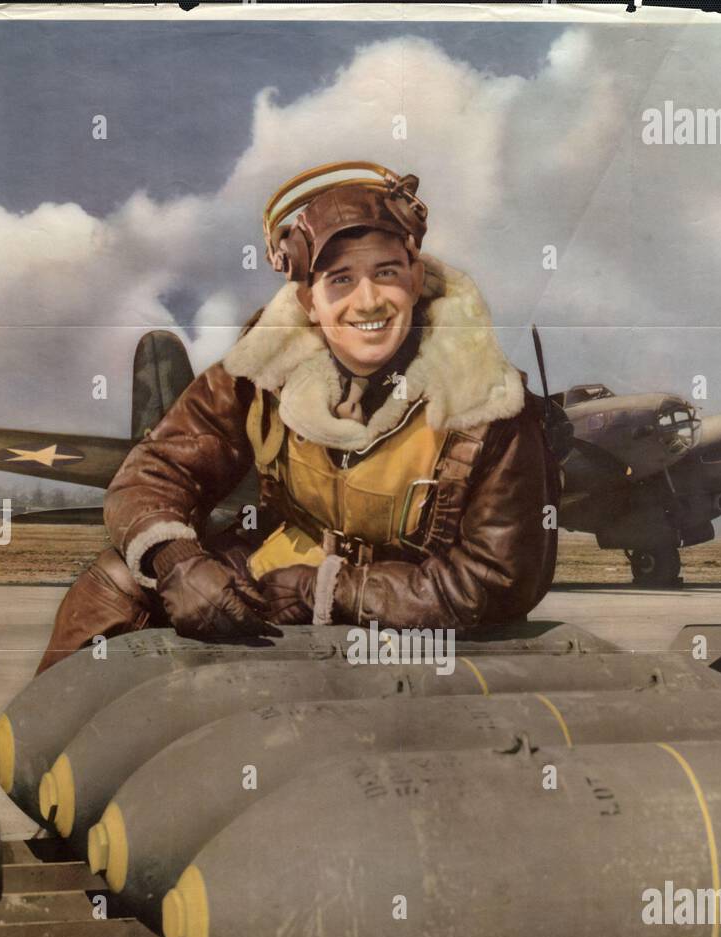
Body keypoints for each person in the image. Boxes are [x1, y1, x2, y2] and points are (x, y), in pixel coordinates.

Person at [36, 162, 565, 673]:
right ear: (309, 299)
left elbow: (497, 580)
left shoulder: (486, 400)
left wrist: (330, 592)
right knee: (114, 582)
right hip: (279, 573)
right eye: (340, 280)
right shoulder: (261, 367)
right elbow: (155, 471)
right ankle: (44, 743)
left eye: (386, 273)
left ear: (415, 276)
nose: (368, 301)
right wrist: (177, 560)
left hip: (413, 608)